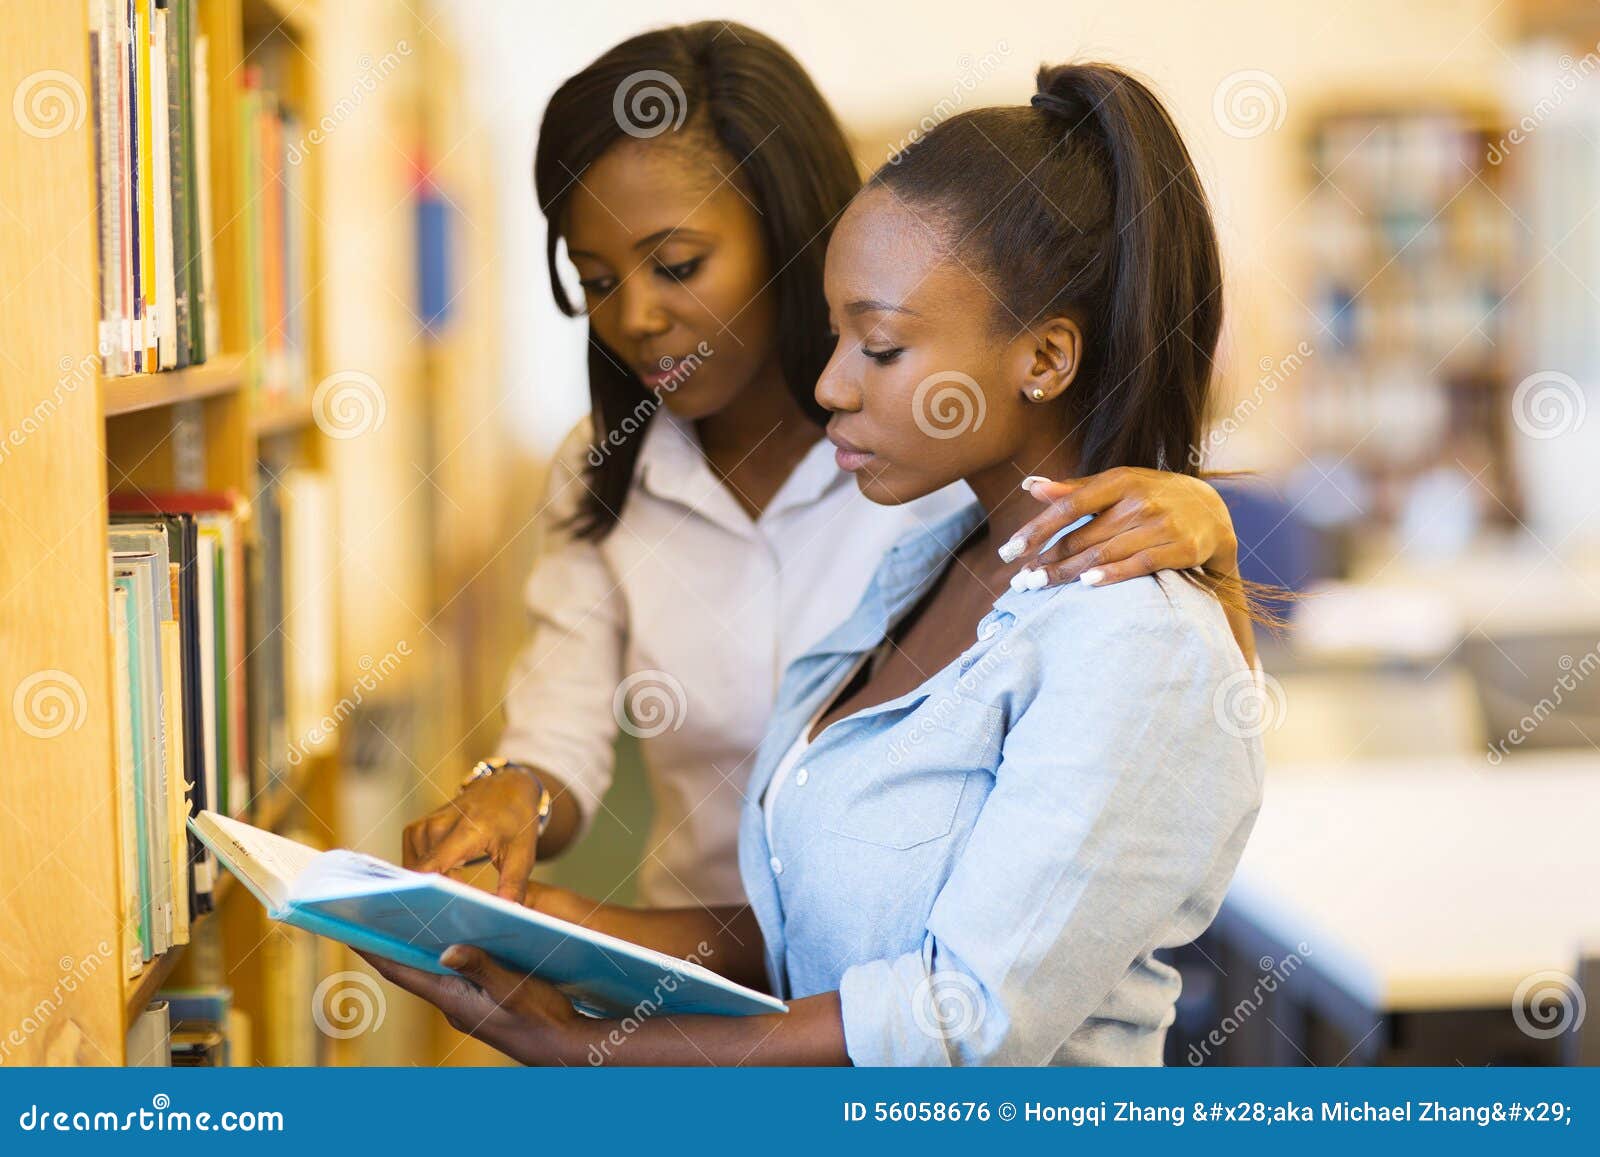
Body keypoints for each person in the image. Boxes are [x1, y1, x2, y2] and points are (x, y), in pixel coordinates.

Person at [367, 61, 1265, 1066]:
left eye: (877, 346)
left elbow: (959, 1017)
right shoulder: (929, 560)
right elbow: (814, 922)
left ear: (1045, 358)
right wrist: (551, 922)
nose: (833, 382)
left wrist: (597, 1049)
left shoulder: (1087, 604)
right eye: (598, 280)